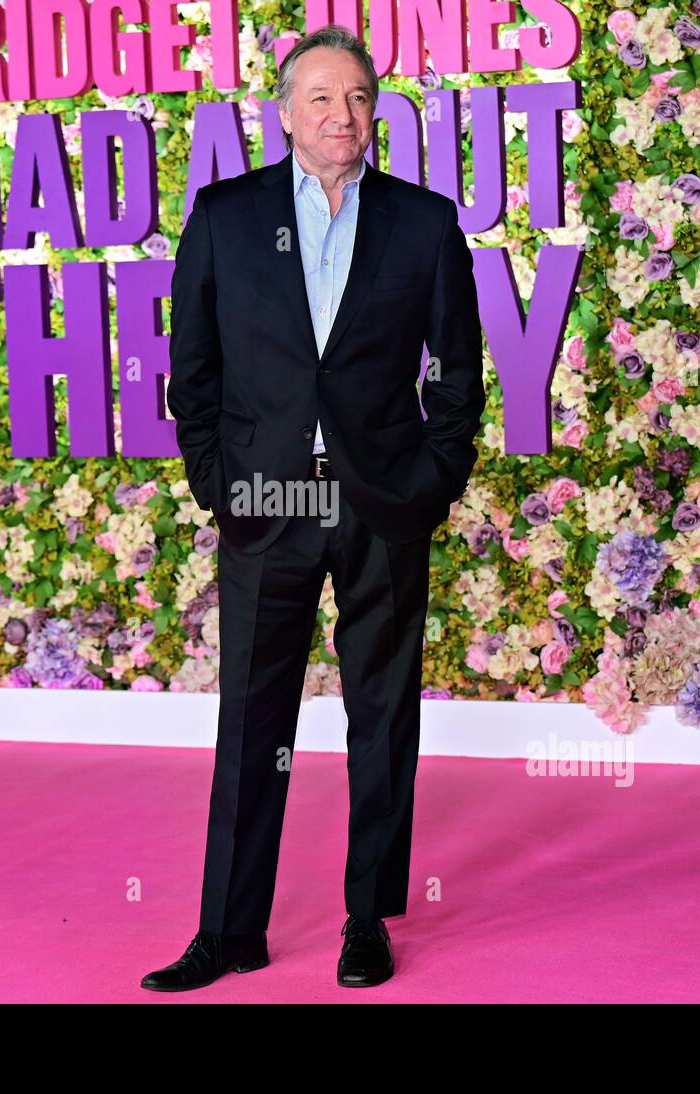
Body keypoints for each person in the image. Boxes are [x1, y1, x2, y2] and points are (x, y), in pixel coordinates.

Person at [143, 23, 484, 991]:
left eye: (359, 98)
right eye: (324, 98)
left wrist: (432, 479)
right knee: (255, 719)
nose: (344, 116)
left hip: (380, 502)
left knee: (381, 714)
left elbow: (458, 372)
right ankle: (229, 930)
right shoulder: (226, 213)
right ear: (285, 112)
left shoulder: (421, 221)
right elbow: (195, 369)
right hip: (266, 501)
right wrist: (217, 481)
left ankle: (366, 917)